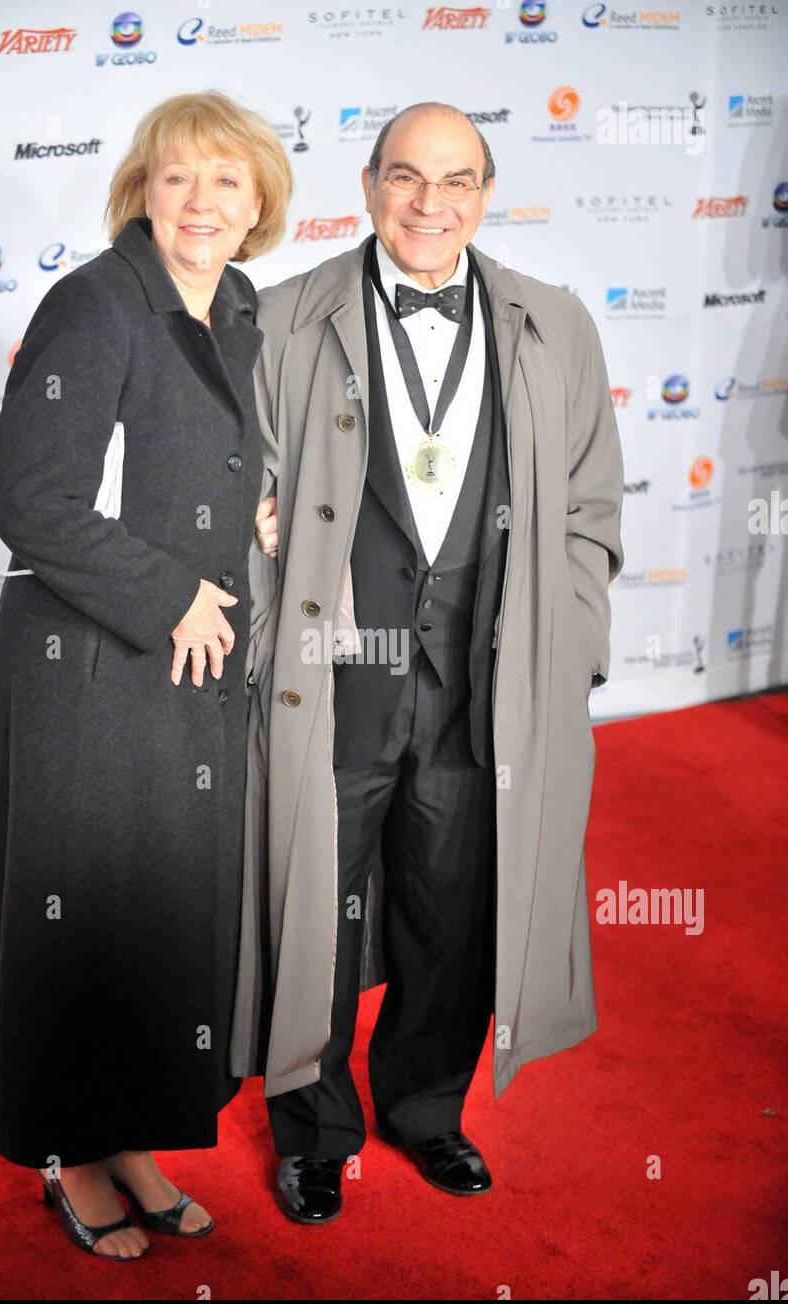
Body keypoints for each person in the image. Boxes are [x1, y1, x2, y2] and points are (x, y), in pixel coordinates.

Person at [230, 101, 625, 1223]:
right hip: (333, 676)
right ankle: (313, 1128)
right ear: (365, 187)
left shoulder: (553, 324)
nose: (428, 203)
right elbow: (237, 488)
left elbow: (591, 506)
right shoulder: (287, 315)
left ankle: (426, 1107)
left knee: (456, 905)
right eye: (405, 176)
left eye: (455, 180)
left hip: (483, 680)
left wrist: (570, 651)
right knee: (314, 905)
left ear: (486, 193)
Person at [0, 91, 292, 1259]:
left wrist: (246, 522)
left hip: (190, 668)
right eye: (179, 178)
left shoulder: (239, 307)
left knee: (154, 916)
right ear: (141, 191)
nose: (202, 202)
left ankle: (130, 1135)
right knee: (81, 915)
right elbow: (31, 503)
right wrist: (170, 593)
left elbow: (177, 464)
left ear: (259, 206)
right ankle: (67, 1153)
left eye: (227, 183)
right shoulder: (94, 303)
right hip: (91, 664)